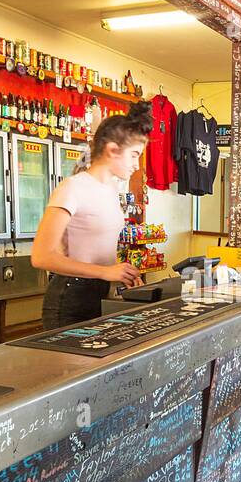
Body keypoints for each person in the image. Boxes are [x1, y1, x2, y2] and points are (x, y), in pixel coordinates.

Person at [32, 101, 152, 330]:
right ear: (112, 150)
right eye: (135, 155)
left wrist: (120, 273)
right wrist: (106, 272)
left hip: (98, 294)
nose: (137, 165)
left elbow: (95, 251)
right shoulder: (73, 188)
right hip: (69, 300)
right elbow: (41, 256)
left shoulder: (109, 190)